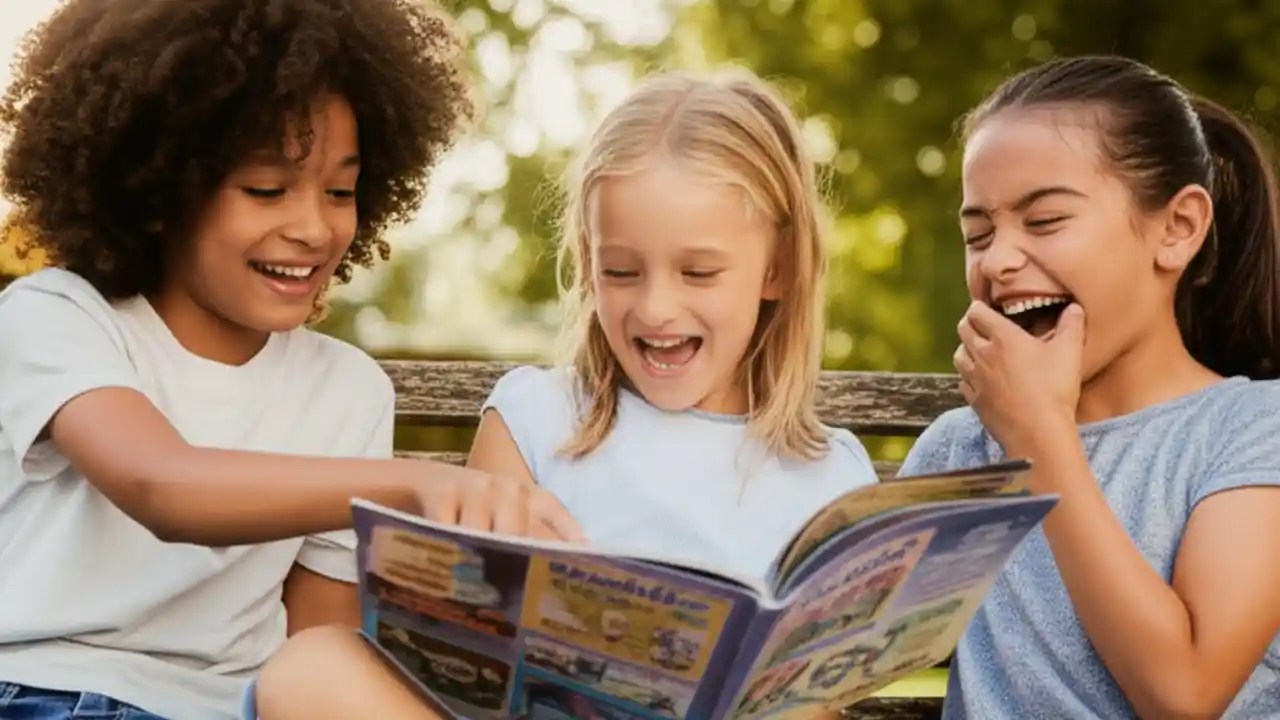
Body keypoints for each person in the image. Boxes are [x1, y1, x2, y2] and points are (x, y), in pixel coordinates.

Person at [0, 1, 580, 718]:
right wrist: (411, 485)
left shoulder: (348, 390)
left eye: (340, 191)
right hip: (40, 692)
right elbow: (161, 485)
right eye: (266, 190)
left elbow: (318, 647)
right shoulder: (60, 316)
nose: (313, 227)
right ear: (156, 190)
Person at [248, 68, 880, 720]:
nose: (657, 307)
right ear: (587, 261)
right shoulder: (535, 419)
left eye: (698, 272)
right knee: (310, 669)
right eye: (621, 271)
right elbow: (461, 653)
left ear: (775, 268)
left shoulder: (830, 476)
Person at [900, 55, 1280, 719]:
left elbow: (1184, 694)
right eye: (978, 233)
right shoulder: (958, 451)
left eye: (1044, 221)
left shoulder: (1252, 430)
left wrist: (1041, 438)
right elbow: (853, 657)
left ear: (1177, 229)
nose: (1000, 259)